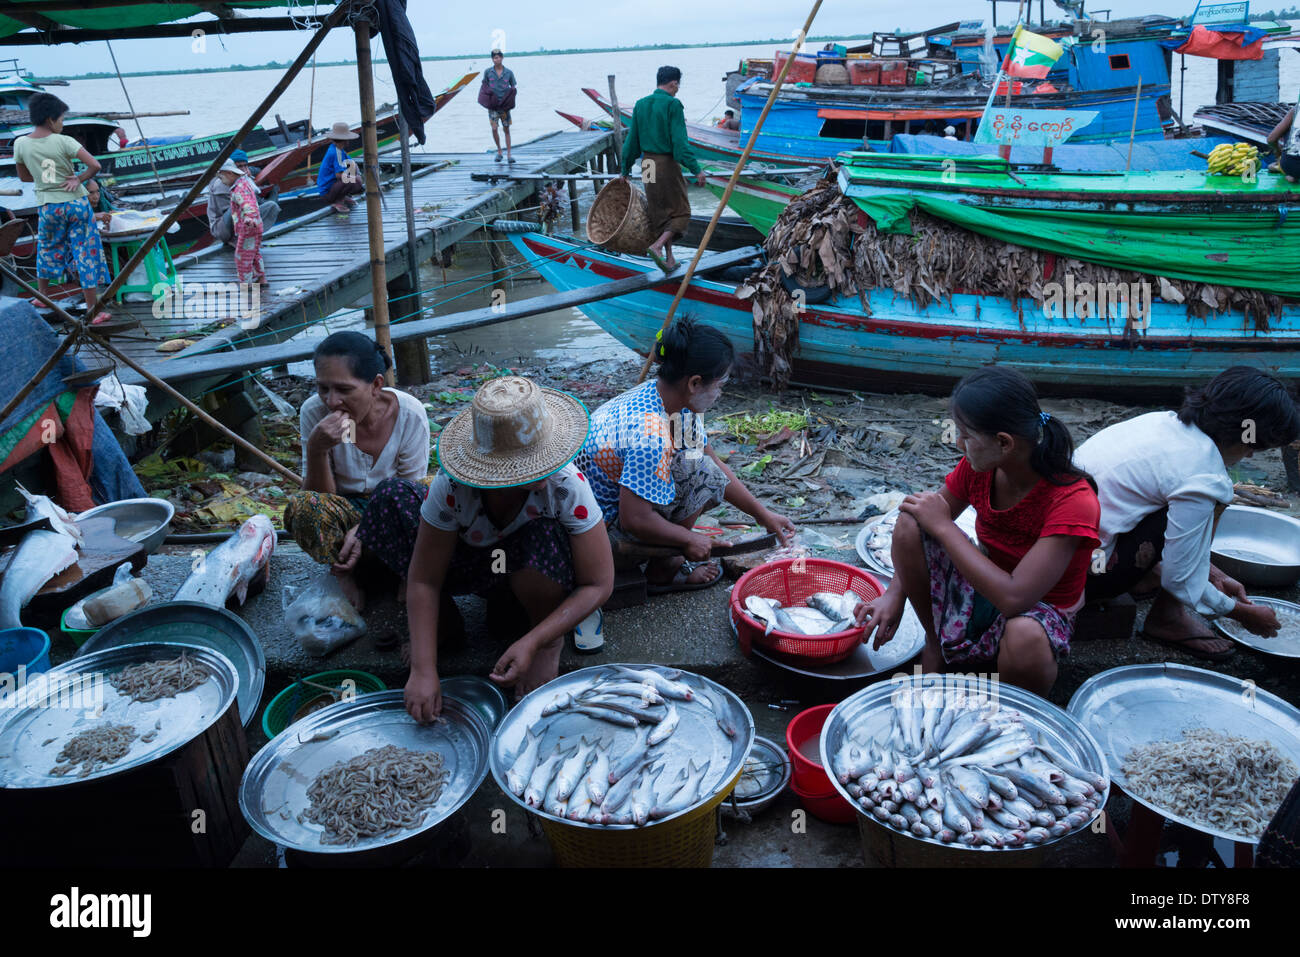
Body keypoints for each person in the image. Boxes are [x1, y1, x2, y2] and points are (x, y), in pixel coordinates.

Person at [855, 366, 1100, 696]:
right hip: (985, 586)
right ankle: (935, 644)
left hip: (1036, 607)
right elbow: (923, 523)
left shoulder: (1073, 501)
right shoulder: (981, 469)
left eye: (966, 436)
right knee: (909, 523)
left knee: (1024, 637)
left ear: (1004, 442)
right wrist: (894, 595)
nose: (958, 443)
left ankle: (1009, 707)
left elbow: (1014, 599)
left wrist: (944, 526)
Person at [404, 376, 614, 720]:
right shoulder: (453, 487)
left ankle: (549, 640)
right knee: (392, 499)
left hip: (535, 574)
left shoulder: (565, 485)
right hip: (482, 566)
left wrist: (537, 641)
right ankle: (446, 627)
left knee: (541, 536)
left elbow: (599, 583)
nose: (544, 470)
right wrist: (422, 669)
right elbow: (424, 579)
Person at [1075, 367, 1299, 660]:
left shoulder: (1161, 422)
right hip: (1082, 576)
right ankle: (1168, 617)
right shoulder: (1203, 476)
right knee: (1217, 498)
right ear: (1247, 437)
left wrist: (1210, 572)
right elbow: (1180, 579)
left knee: (1180, 502)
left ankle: (1148, 578)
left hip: (1056, 554)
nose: (1250, 455)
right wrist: (1241, 612)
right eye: (1255, 447)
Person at [575, 319, 795, 593]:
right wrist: (687, 539)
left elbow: (712, 462)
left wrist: (763, 515)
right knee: (701, 471)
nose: (720, 393)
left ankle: (668, 553)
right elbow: (635, 519)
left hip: (603, 514)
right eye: (720, 384)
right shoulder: (649, 432)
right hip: (596, 539)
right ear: (694, 383)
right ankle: (666, 565)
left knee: (701, 465)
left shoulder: (668, 400)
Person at [283, 332, 432, 610]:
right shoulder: (314, 412)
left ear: (376, 385)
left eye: (344, 390)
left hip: (392, 512)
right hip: (345, 511)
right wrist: (317, 449)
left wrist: (367, 528)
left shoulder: (409, 413)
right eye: (323, 388)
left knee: (432, 489)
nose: (331, 401)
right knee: (302, 506)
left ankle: (409, 571)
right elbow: (320, 500)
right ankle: (343, 573)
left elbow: (410, 494)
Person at [13, 93, 113, 324]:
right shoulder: (64, 141)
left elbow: (24, 177)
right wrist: (78, 179)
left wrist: (45, 179)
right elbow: (95, 165)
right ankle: (93, 311)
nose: (62, 123)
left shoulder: (21, 143)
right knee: (85, 253)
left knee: (47, 248)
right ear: (50, 119)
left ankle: (42, 296)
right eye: (61, 119)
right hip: (76, 204)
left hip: (49, 206)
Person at [620, 66, 707, 271]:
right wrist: (696, 169)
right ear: (673, 83)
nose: (677, 90)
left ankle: (669, 258)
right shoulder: (673, 104)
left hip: (647, 164)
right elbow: (680, 144)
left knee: (659, 212)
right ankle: (657, 246)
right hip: (665, 164)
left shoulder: (641, 104)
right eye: (678, 86)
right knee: (681, 212)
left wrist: (624, 170)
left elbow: (631, 142)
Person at [207, 150, 280, 246]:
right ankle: (239, 239)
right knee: (241, 206)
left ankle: (249, 237)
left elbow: (255, 204)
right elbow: (243, 206)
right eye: (240, 166)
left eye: (245, 166)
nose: (244, 169)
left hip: (240, 221)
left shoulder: (241, 177)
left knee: (271, 206)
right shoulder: (222, 182)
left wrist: (274, 189)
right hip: (222, 228)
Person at [215, 159, 266, 286]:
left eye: (221, 178)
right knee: (254, 252)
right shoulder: (245, 182)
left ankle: (246, 283)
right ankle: (261, 278)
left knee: (242, 256)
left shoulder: (239, 189)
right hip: (256, 225)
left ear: (229, 173)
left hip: (248, 227)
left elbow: (248, 204)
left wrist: (249, 217)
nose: (222, 181)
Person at [317, 122, 363, 212]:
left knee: (354, 178)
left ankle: (342, 197)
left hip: (333, 187)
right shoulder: (335, 152)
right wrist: (356, 178)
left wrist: (357, 172)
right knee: (354, 181)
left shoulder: (338, 149)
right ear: (345, 140)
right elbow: (339, 175)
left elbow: (351, 163)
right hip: (327, 193)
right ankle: (337, 201)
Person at [480, 50, 517, 164]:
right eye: (495, 58)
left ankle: (509, 154)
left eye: (499, 57)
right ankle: (499, 151)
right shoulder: (488, 72)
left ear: (502, 58)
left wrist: (510, 101)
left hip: (505, 106)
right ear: (492, 59)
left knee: (506, 129)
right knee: (494, 128)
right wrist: (486, 100)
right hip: (493, 106)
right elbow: (484, 86)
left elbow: (513, 87)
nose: (497, 59)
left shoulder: (509, 72)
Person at [1267, 98, 1300, 182]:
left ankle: (1291, 175)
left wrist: (1278, 153)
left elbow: (1271, 139)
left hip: (1290, 165)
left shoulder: (1296, 109)